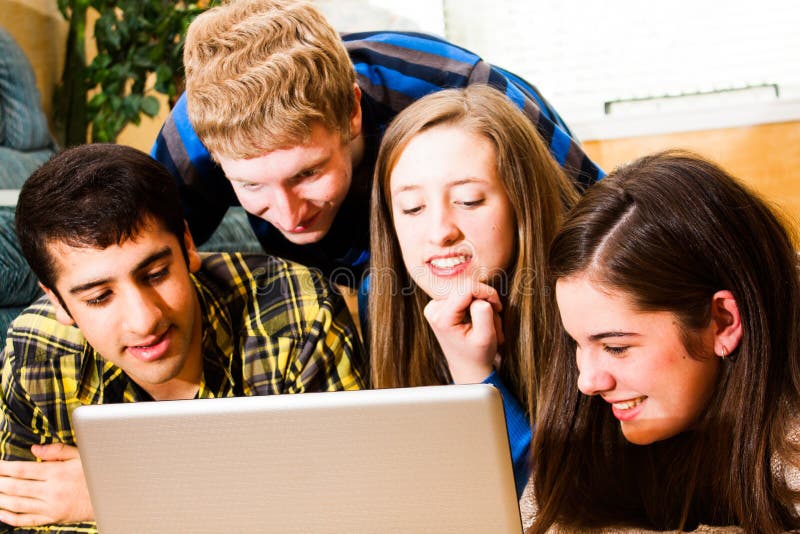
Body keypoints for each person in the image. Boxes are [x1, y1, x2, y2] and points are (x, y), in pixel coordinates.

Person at [0, 144, 366, 533]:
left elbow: (351, 504)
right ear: (56, 300)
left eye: (156, 273)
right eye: (99, 297)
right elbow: (21, 521)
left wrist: (123, 495)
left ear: (188, 246)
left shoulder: (299, 314)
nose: (144, 321)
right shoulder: (37, 352)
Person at [151, 0, 602, 298]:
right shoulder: (196, 132)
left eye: (307, 174)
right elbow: (117, 256)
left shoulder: (467, 94)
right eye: (252, 185)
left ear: (352, 112)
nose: (289, 215)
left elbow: (604, 225)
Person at [529, 151, 800, 533]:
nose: (586, 382)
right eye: (576, 343)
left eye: (616, 347)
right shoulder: (585, 413)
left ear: (721, 322)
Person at [369, 85, 580, 498]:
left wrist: (475, 377)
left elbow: (555, 508)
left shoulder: (586, 302)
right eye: (412, 208)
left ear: (522, 201)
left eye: (468, 200)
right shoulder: (378, 300)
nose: (439, 231)